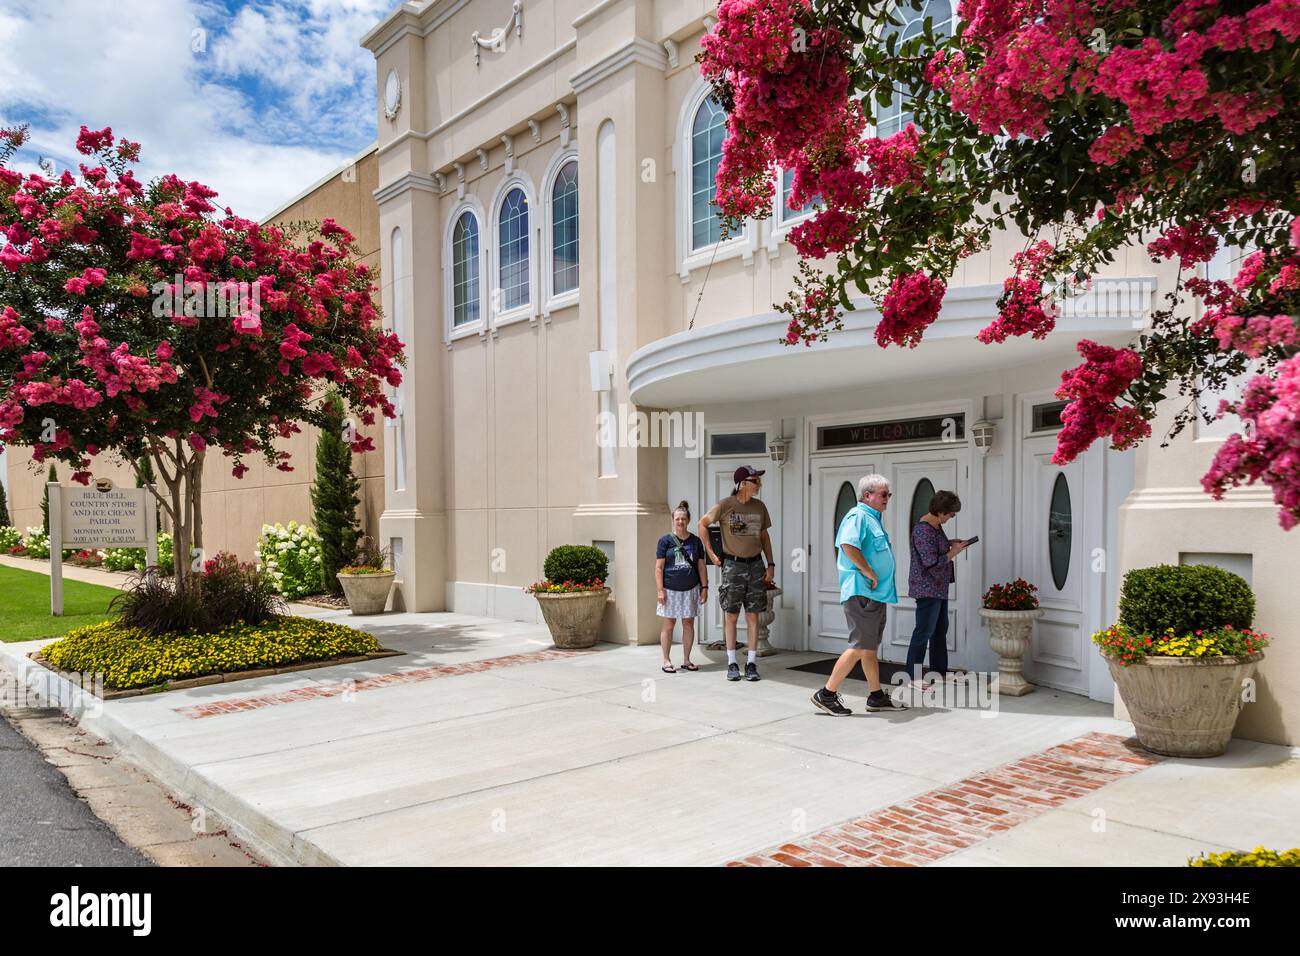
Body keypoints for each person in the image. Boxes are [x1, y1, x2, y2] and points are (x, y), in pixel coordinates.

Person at [811, 473, 907, 715]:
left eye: (889, 494)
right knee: (859, 646)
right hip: (863, 592)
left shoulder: (872, 518)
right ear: (868, 495)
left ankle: (876, 696)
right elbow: (847, 545)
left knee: (869, 647)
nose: (888, 499)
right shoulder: (858, 516)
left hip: (874, 594)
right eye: (884, 494)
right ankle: (826, 694)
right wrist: (869, 571)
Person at [699, 465, 774, 682]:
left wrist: (771, 564)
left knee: (753, 615)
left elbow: (764, 537)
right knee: (731, 615)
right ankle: (732, 663)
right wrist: (711, 554)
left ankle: (751, 664)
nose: (758, 484)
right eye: (754, 481)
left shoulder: (760, 507)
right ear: (742, 484)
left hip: (756, 565)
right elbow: (702, 524)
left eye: (758, 481)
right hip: (733, 566)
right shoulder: (725, 505)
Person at [907, 490, 969, 689]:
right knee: (923, 631)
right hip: (927, 589)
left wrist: (951, 544)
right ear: (941, 512)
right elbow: (931, 562)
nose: (952, 517)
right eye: (951, 513)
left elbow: (936, 548)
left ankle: (939, 673)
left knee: (940, 631)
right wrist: (954, 552)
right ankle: (912, 678)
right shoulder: (923, 530)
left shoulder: (935, 527)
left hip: (939, 588)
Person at [655, 500, 709, 673]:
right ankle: (666, 660)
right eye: (677, 519)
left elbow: (701, 566)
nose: (680, 522)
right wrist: (660, 590)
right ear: (673, 520)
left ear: (688, 520)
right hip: (670, 589)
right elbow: (659, 567)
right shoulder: (665, 541)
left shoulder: (696, 541)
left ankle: (686, 660)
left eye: (683, 519)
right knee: (669, 624)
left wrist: (705, 588)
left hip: (691, 589)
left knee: (688, 624)